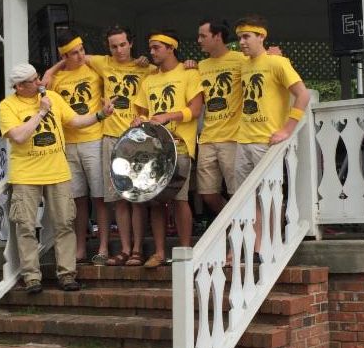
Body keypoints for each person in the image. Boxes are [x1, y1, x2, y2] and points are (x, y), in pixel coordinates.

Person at [0, 63, 114, 294]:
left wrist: (101, 115)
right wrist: (41, 112)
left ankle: (67, 274)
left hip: (58, 172)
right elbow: (18, 136)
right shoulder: (7, 106)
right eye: (33, 80)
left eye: (38, 77)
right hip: (26, 175)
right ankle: (32, 277)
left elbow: (75, 121)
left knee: (64, 223)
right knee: (26, 226)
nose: (39, 82)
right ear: (19, 86)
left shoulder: (53, 97)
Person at [234, 14, 310, 259]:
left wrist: (287, 129)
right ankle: (257, 246)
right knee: (247, 197)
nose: (241, 42)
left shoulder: (278, 63)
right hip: (243, 139)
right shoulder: (244, 64)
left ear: (261, 36)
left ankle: (271, 243)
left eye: (246, 37)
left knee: (269, 194)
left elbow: (302, 95)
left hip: (266, 140)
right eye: (239, 38)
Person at [77, 26, 152, 266]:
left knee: (137, 196)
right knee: (119, 197)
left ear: (131, 43)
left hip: (137, 137)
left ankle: (138, 249)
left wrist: (190, 64)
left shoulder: (146, 68)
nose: (119, 50)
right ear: (108, 48)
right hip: (110, 137)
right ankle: (125, 249)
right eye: (114, 46)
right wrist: (51, 71)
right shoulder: (103, 62)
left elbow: (170, 68)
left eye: (122, 44)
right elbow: (74, 55)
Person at [132, 30, 203, 268]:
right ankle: (160, 253)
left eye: (156, 47)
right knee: (155, 201)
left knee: (180, 199)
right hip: (154, 148)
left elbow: (195, 110)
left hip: (180, 146)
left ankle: (184, 251)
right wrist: (138, 120)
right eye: (151, 47)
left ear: (171, 48)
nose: (151, 52)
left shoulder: (189, 73)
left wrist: (167, 116)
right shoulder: (149, 80)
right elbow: (141, 111)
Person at [45, 30, 111, 266]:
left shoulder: (93, 68)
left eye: (82, 49)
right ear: (63, 56)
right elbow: (42, 85)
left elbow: (117, 67)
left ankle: (103, 246)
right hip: (69, 143)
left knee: (100, 196)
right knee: (78, 199)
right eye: (74, 53)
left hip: (94, 139)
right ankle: (80, 247)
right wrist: (55, 68)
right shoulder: (57, 78)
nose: (81, 55)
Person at [194, 20, 243, 217]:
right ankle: (230, 222)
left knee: (237, 192)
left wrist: (274, 55)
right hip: (207, 138)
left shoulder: (241, 59)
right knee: (207, 193)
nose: (199, 40)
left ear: (218, 36)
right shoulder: (200, 66)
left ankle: (242, 227)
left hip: (233, 137)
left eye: (203, 36)